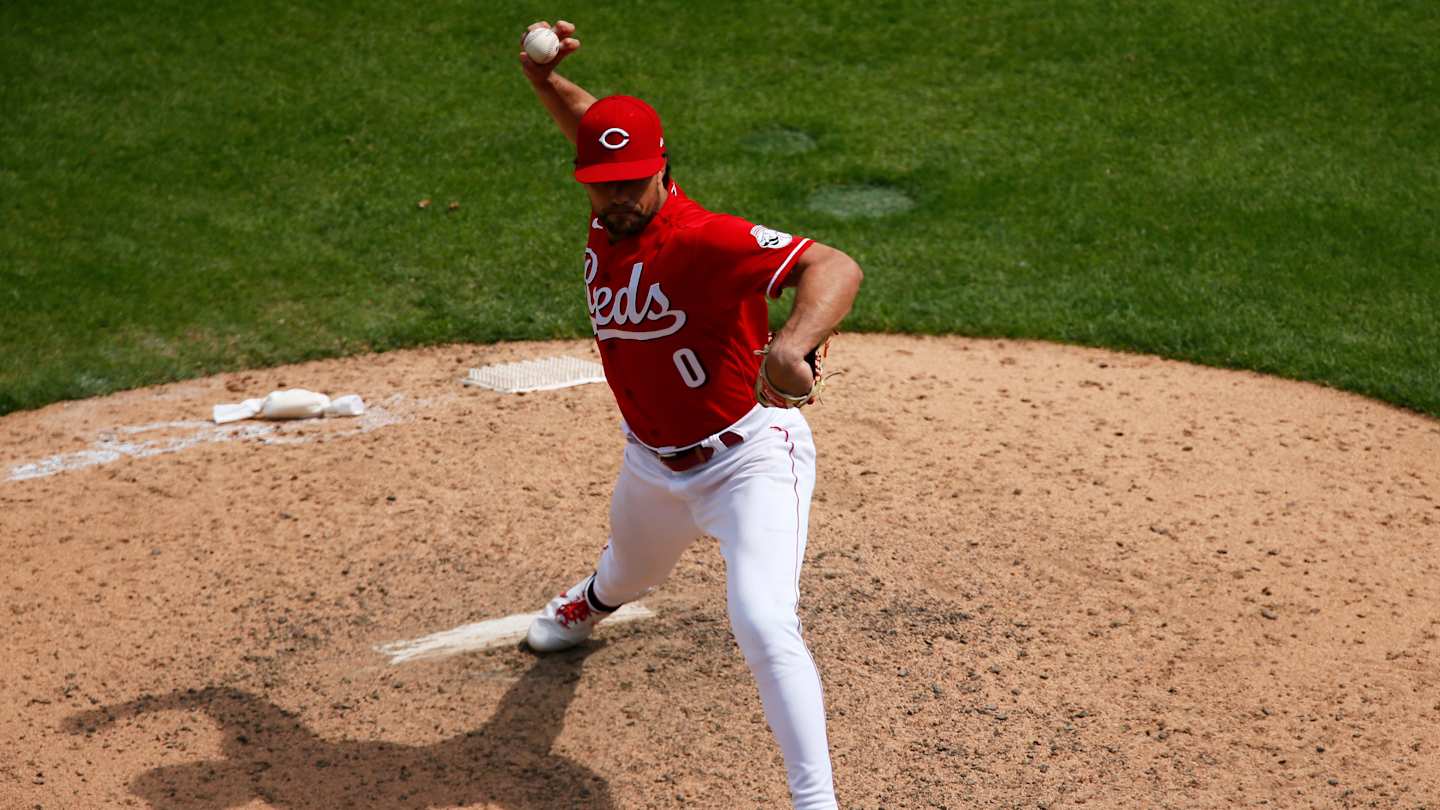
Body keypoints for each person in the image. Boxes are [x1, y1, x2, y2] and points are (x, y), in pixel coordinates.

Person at [517, 19, 863, 810]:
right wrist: (545, 84)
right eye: (601, 184)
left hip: (749, 460)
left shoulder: (704, 239)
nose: (614, 200)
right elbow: (596, 131)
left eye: (631, 183)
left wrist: (795, 341)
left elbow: (832, 264)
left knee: (763, 623)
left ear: (662, 168)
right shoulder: (610, 211)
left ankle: (817, 803)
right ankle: (590, 604)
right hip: (650, 462)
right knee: (628, 573)